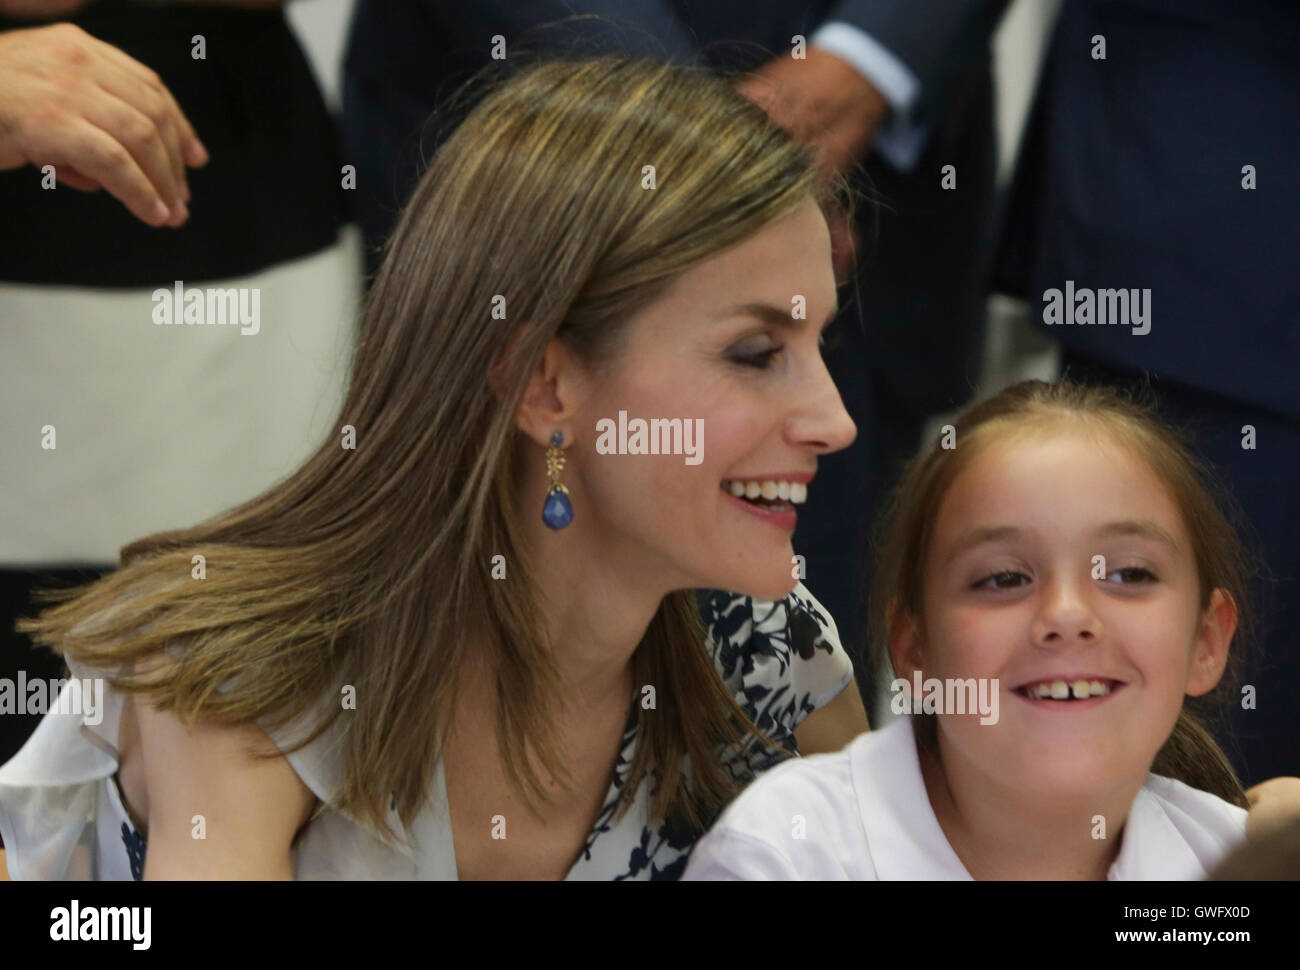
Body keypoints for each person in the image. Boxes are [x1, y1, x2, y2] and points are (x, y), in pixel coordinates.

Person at [0, 54, 869, 881]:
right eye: (756, 352)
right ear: (544, 385)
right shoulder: (259, 675)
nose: (835, 421)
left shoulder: (768, 652)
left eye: (817, 343)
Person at [684, 380, 1268, 880]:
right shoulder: (789, 857)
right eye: (1004, 578)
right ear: (915, 651)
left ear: (1207, 641)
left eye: (1129, 573)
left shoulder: (1232, 867)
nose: (1066, 615)